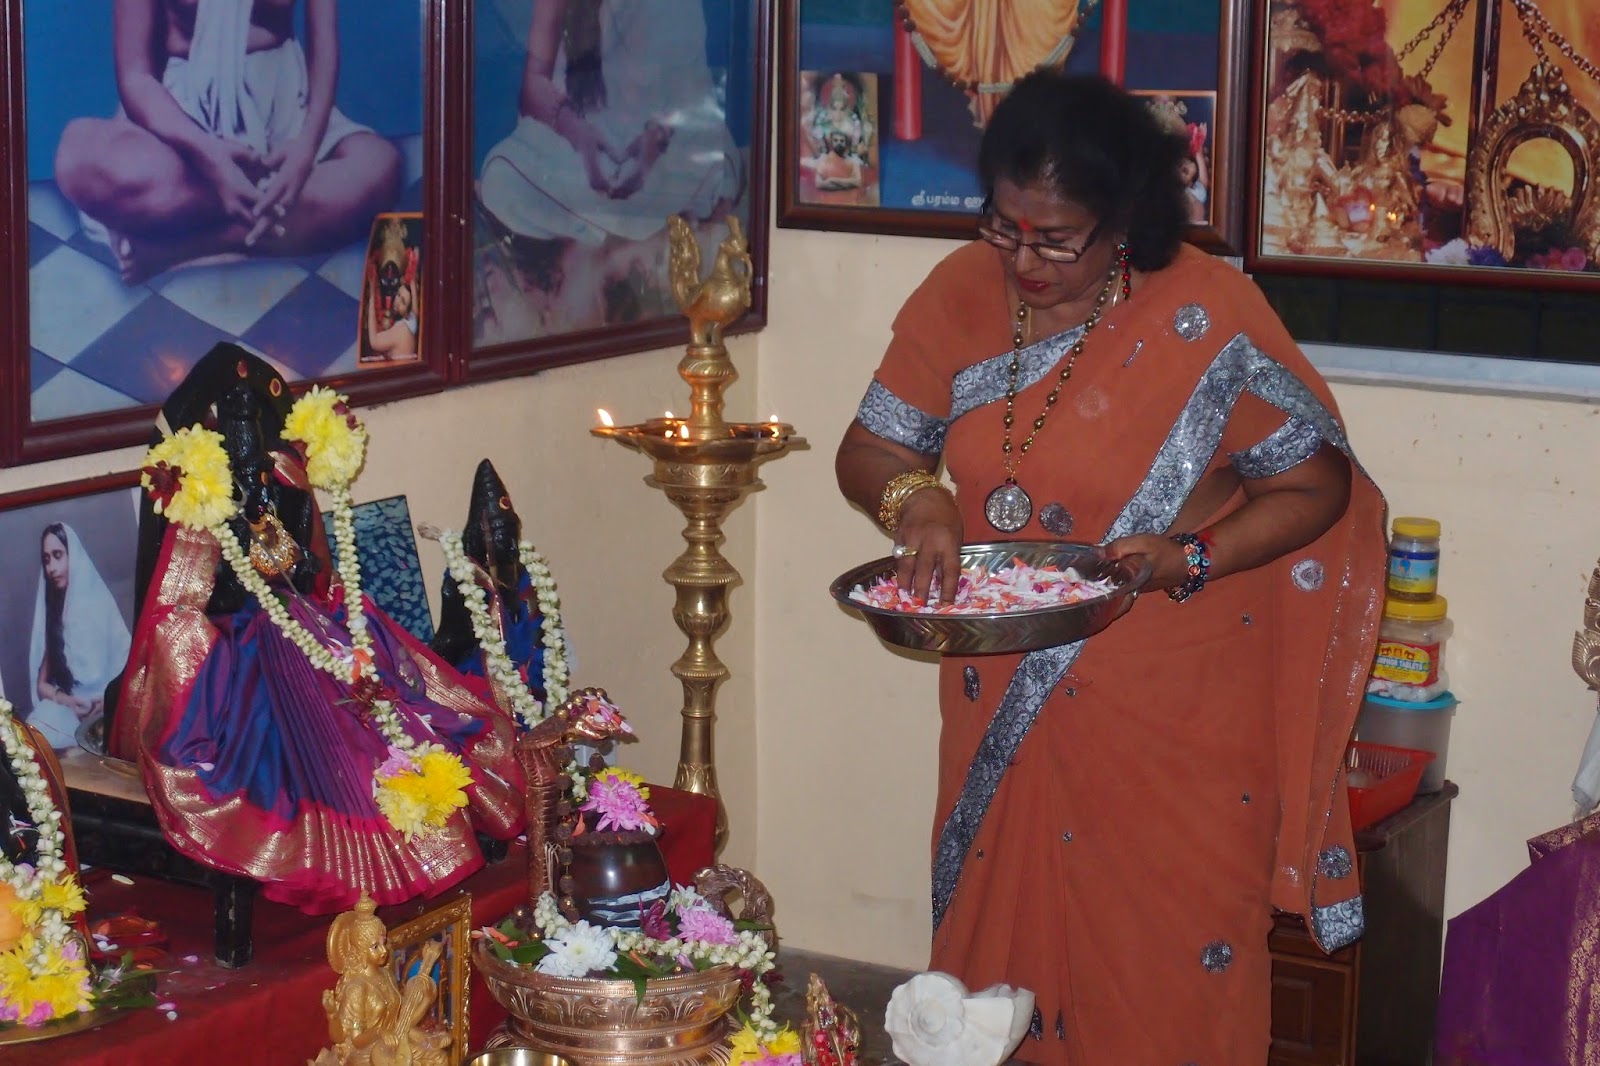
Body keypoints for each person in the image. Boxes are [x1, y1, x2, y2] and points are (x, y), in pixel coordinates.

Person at [834, 72, 1387, 1064]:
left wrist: (1192, 555)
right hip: (998, 699)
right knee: (992, 988)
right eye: (1003, 227)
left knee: (1166, 982)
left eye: (1056, 238)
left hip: (1175, 719)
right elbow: (868, 447)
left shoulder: (1205, 316)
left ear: (1123, 220)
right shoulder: (958, 295)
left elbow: (1317, 490)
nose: (1023, 260)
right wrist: (914, 499)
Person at [112, 347, 524, 915]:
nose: (248, 449)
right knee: (289, 739)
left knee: (385, 703)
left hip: (302, 625)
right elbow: (192, 595)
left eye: (253, 434)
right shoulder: (201, 496)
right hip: (239, 641)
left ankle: (421, 821)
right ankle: (329, 851)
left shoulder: (282, 481)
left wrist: (288, 555)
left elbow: (307, 570)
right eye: (236, 437)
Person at [54, 0, 402, 284]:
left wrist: (304, 149)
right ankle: (268, 207)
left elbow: (324, 47)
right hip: (181, 120)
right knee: (77, 154)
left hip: (284, 114)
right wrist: (210, 158)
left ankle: (179, 248)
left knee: (380, 165)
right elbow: (136, 76)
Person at [478, 0, 740, 248]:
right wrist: (577, 134)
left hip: (657, 159)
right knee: (500, 179)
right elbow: (533, 88)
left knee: (722, 168)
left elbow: (691, 96)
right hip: (578, 159)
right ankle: (604, 236)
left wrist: (654, 142)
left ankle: (607, 233)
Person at [28, 523, 133, 751]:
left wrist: (107, 701)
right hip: (72, 711)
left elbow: (130, 668)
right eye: (46, 559)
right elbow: (42, 685)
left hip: (109, 708)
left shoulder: (101, 606)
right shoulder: (55, 614)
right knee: (33, 731)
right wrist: (69, 702)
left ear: (73, 556)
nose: (51, 568)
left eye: (58, 556)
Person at [365, 279, 418, 360]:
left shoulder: (401, 329)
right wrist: (413, 287)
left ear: (407, 312)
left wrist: (372, 296)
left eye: (403, 302)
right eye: (398, 295)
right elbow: (414, 310)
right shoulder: (412, 323)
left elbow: (374, 341)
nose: (397, 301)